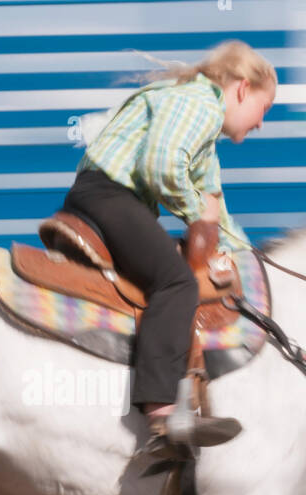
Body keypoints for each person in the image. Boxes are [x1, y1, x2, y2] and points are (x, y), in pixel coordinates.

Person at [60, 40, 276, 453]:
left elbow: (217, 213)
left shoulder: (207, 142)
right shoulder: (198, 101)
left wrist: (250, 260)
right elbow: (162, 165)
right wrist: (198, 216)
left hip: (119, 200)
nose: (261, 124)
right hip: (107, 195)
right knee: (176, 283)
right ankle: (161, 411)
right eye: (263, 110)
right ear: (243, 89)